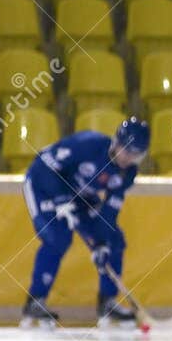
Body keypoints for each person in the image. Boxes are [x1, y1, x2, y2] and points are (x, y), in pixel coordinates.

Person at [21, 118, 150, 328]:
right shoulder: (87, 144)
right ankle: (35, 302)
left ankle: (107, 302)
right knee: (58, 238)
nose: (128, 158)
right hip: (42, 184)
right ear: (116, 142)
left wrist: (100, 243)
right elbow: (45, 165)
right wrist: (60, 199)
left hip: (79, 195)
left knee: (113, 241)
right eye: (126, 150)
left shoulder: (128, 174)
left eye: (135, 154)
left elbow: (109, 213)